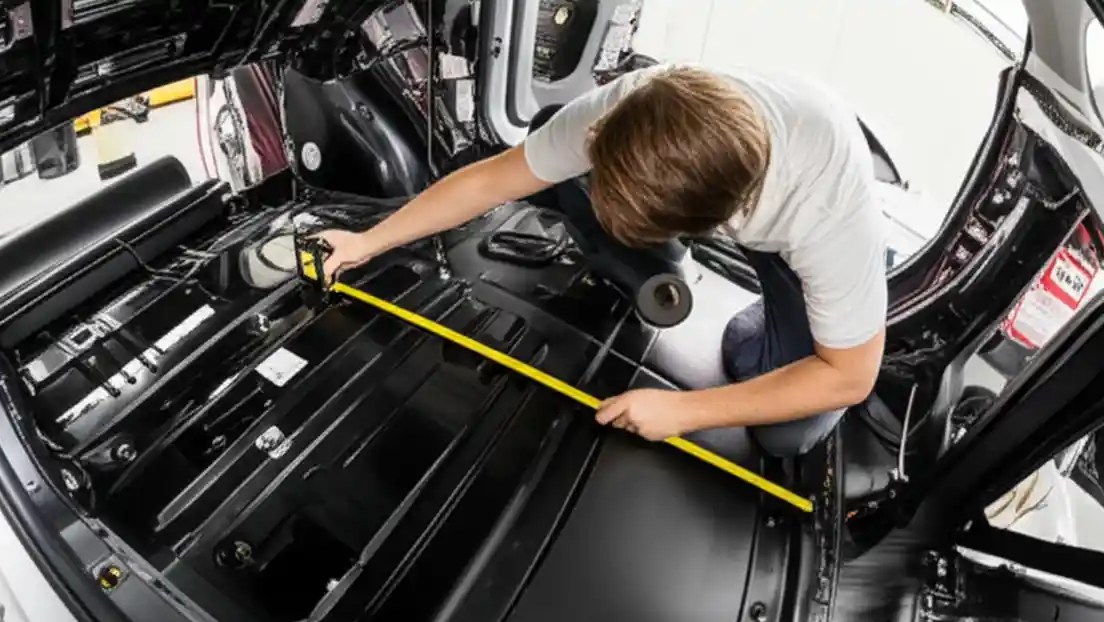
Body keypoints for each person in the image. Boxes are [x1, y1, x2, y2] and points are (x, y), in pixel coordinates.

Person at [316, 62, 888, 458]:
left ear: (715, 225)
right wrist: (369, 241)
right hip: (727, 167)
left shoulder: (825, 210)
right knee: (544, 137)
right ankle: (654, 266)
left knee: (785, 431)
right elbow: (493, 176)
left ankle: (773, 316)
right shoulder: (632, 107)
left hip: (793, 233)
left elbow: (851, 378)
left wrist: (683, 414)